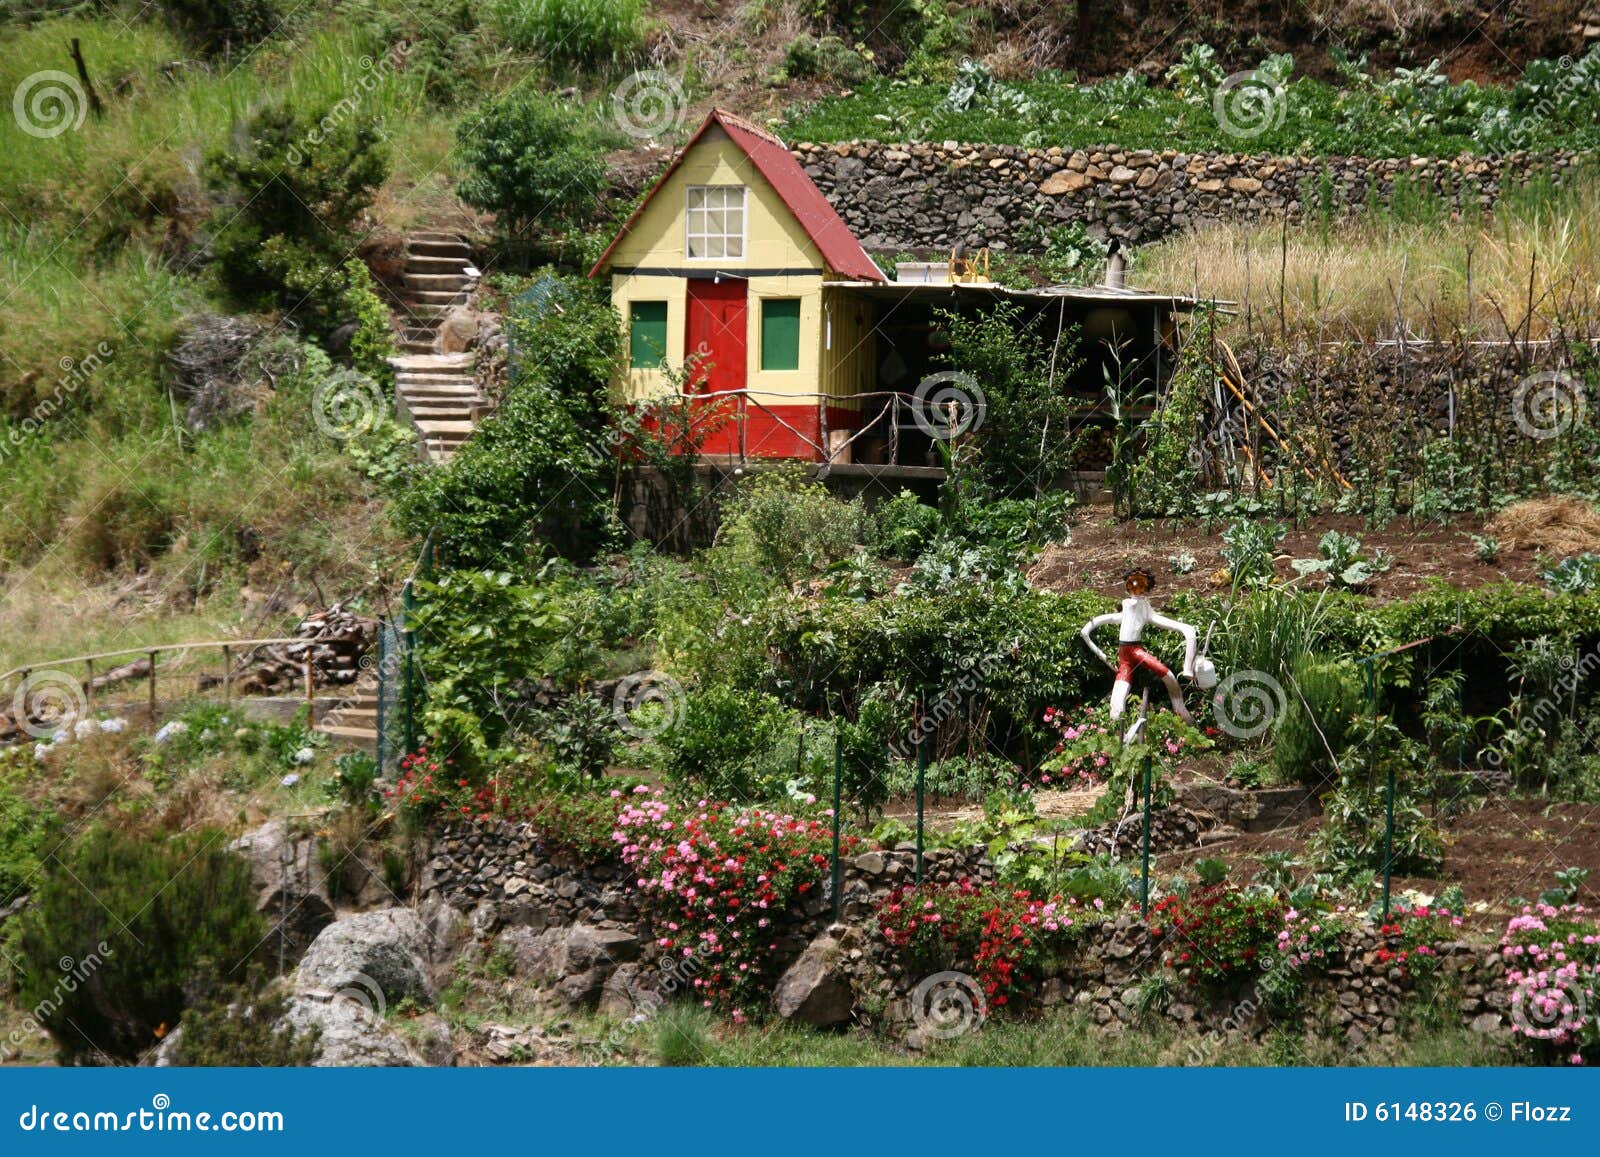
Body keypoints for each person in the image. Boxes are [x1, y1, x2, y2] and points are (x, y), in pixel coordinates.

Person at [1079, 567, 1197, 723]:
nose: (1135, 590)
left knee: (1169, 677)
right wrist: (1099, 653)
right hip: (1125, 656)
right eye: (1131, 585)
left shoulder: (1146, 610)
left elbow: (1178, 627)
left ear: (1146, 589)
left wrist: (1187, 635)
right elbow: (1085, 631)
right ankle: (1119, 736)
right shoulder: (1126, 611)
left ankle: (1185, 718)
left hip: (1136, 650)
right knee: (1117, 703)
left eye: (1140, 585)